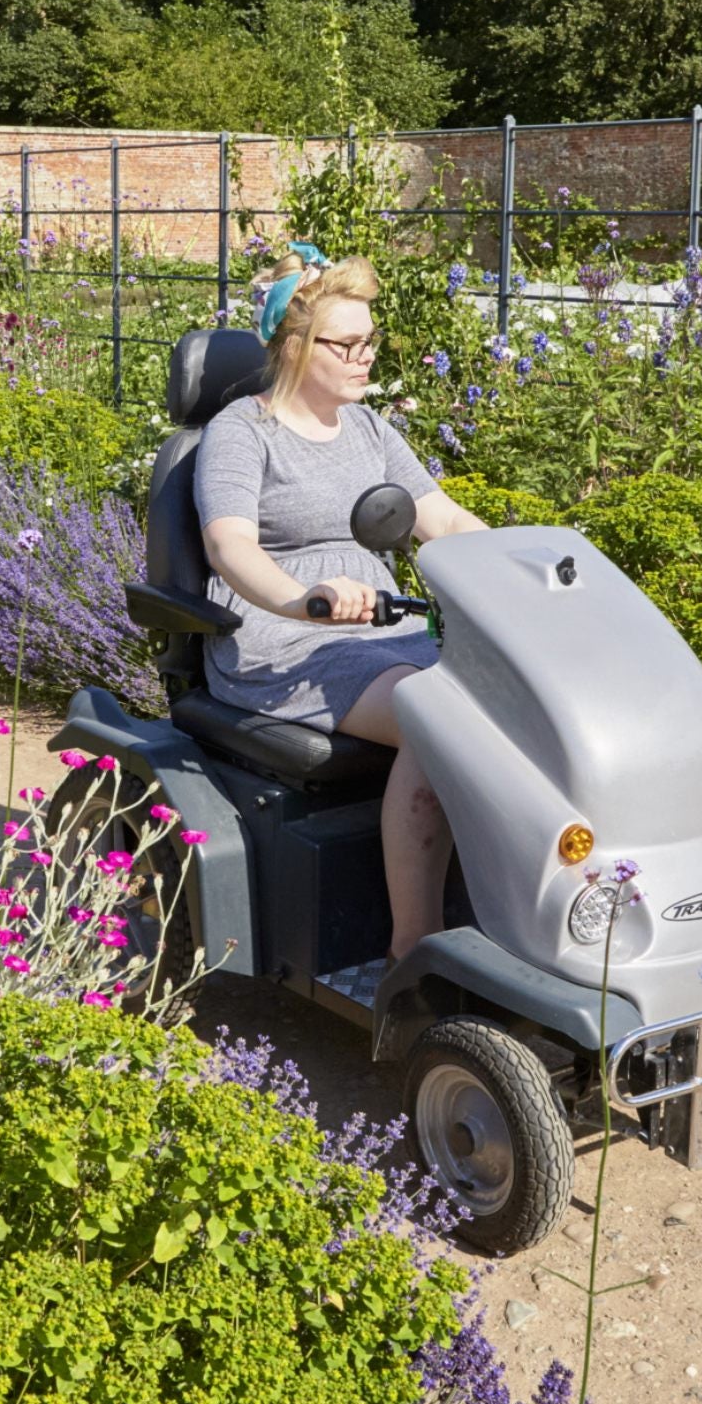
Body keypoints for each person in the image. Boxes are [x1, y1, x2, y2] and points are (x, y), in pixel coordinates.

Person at [195, 246, 488, 964]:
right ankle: (411, 950)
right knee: (437, 713)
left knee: (507, 702)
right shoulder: (242, 431)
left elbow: (441, 519)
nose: (366, 358)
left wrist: (531, 562)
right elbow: (230, 548)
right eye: (347, 344)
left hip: (385, 627)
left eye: (370, 341)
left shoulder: (367, 429)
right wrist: (305, 600)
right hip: (286, 635)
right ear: (295, 346)